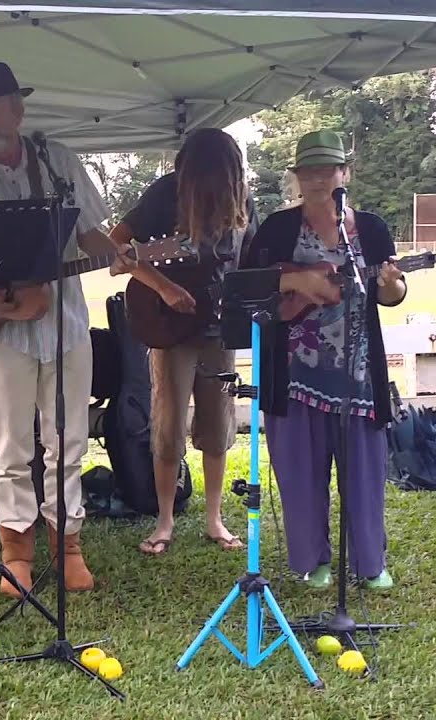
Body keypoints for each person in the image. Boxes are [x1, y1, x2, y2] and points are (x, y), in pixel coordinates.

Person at [0, 62, 133, 597]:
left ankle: (68, 548)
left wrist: (120, 254)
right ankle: (16, 553)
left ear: (18, 110)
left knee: (68, 441)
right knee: (10, 445)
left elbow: (89, 234)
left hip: (66, 324)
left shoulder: (57, 161)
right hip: (2, 332)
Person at [242, 130, 406, 590]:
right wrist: (299, 283)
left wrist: (391, 283)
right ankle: (313, 561)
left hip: (358, 372)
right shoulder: (277, 228)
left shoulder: (370, 228)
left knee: (365, 473)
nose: (318, 179)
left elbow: (391, 294)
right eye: (309, 171)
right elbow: (247, 284)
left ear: (344, 174)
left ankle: (370, 563)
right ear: (297, 177)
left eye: (327, 170)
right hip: (293, 373)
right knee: (300, 472)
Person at [109, 128, 257, 556]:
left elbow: (253, 260)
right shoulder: (165, 193)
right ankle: (164, 520)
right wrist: (163, 287)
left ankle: (214, 519)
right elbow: (116, 246)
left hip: (219, 327)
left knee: (217, 423)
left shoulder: (242, 198)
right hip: (169, 329)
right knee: (168, 425)